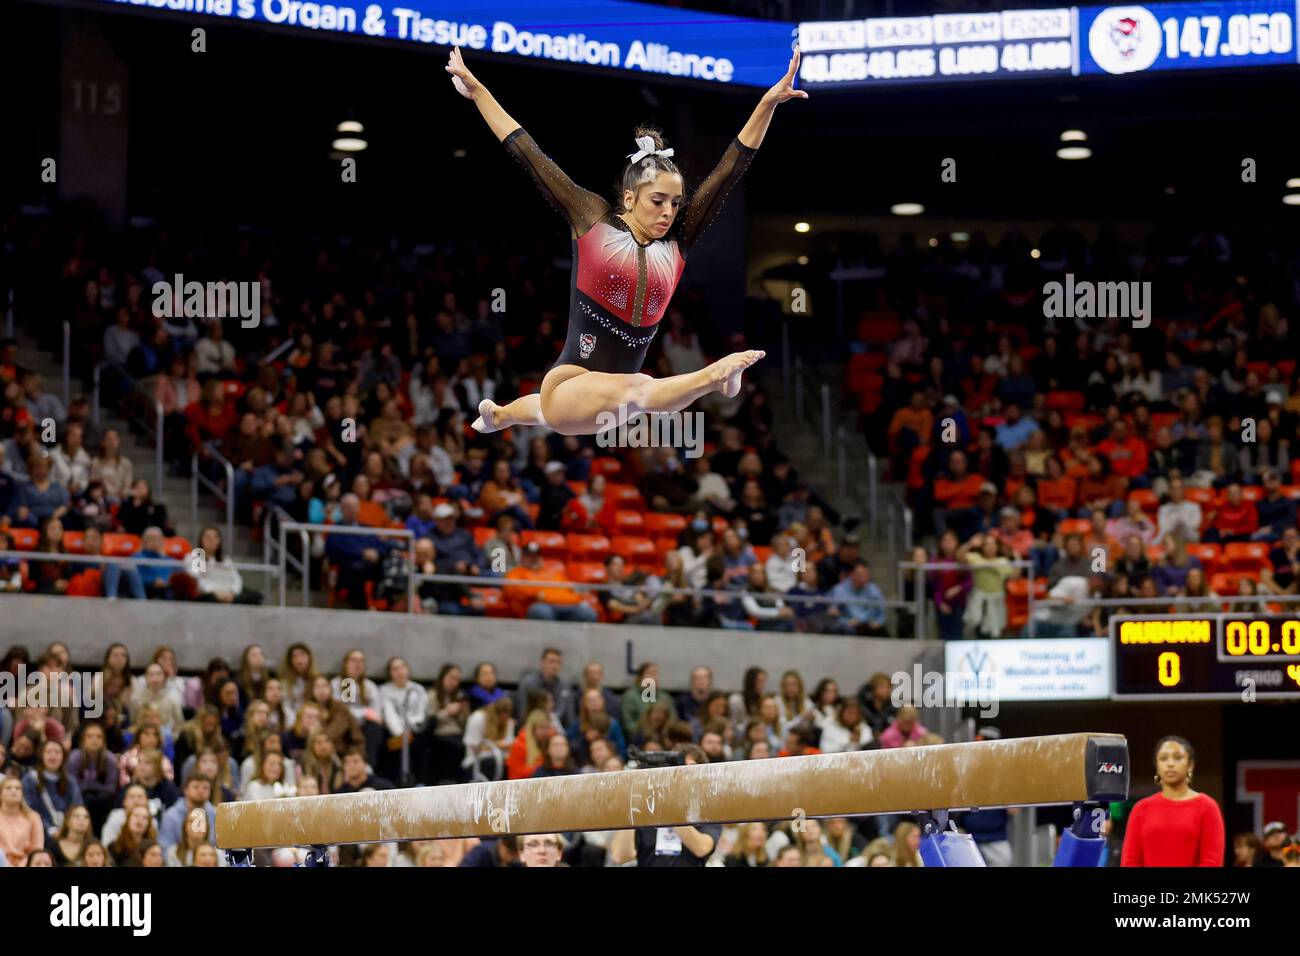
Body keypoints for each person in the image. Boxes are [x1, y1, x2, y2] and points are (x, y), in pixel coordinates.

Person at [448, 43, 807, 437]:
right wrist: (478, 90)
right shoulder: (593, 219)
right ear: (630, 198)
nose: (669, 212)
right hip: (569, 384)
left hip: (612, 405)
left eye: (675, 202)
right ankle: (714, 376)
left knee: (623, 393)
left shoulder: (678, 243)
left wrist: (768, 103)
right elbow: (529, 154)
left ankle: (500, 416)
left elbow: (728, 170)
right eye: (658, 201)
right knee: (639, 389)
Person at [608, 745, 720, 866]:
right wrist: (635, 800)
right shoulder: (646, 807)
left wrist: (669, 804)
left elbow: (701, 848)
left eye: (689, 768)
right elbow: (619, 856)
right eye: (677, 767)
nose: (683, 774)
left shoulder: (707, 810)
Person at [1121, 736, 1224, 867]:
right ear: (1157, 767)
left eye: (1177, 757)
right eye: (1163, 758)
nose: (1170, 763)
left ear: (1190, 765)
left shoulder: (1207, 807)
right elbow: (1130, 861)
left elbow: (1211, 862)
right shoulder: (1141, 809)